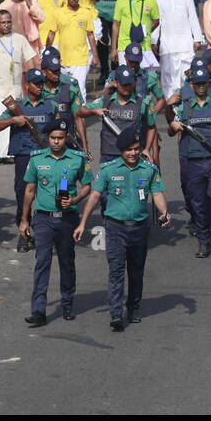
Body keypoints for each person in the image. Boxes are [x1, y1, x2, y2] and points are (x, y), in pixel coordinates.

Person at [75, 127, 170, 330]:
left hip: (139, 228)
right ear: (121, 150)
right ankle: (116, 314)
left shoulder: (149, 169)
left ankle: (134, 309)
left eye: (136, 149)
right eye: (129, 150)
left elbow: (158, 194)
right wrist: (83, 223)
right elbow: (94, 197)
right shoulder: (108, 170)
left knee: (136, 271)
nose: (134, 153)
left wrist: (164, 213)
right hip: (115, 228)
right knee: (116, 271)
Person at [19, 118, 91, 325]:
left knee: (67, 263)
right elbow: (30, 190)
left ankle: (67, 304)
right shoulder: (36, 159)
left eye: (60, 138)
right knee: (42, 262)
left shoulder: (77, 159)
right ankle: (39, 310)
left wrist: (75, 200)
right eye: (53, 138)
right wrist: (24, 220)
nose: (57, 142)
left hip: (68, 219)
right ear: (48, 138)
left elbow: (87, 185)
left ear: (66, 137)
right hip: (43, 218)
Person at [0, 69, 56, 252]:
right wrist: (13, 119)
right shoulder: (17, 106)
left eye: (41, 82)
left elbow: (61, 129)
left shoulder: (51, 106)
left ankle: (45, 234)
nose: (40, 86)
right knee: (22, 196)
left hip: (45, 156)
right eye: (36, 83)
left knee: (47, 197)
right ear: (27, 85)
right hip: (24, 157)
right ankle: (24, 233)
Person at [171, 66, 211, 265]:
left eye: (204, 83)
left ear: (208, 84)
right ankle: (203, 241)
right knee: (198, 204)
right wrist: (173, 124)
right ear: (192, 85)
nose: (201, 87)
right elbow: (172, 129)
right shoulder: (184, 107)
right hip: (193, 162)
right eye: (197, 84)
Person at [0, 9, 38, 165]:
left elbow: (30, 60)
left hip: (14, 90)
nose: (6, 25)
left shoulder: (20, 39)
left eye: (9, 22)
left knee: (9, 121)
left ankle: (6, 153)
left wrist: (32, 80)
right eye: (3, 22)